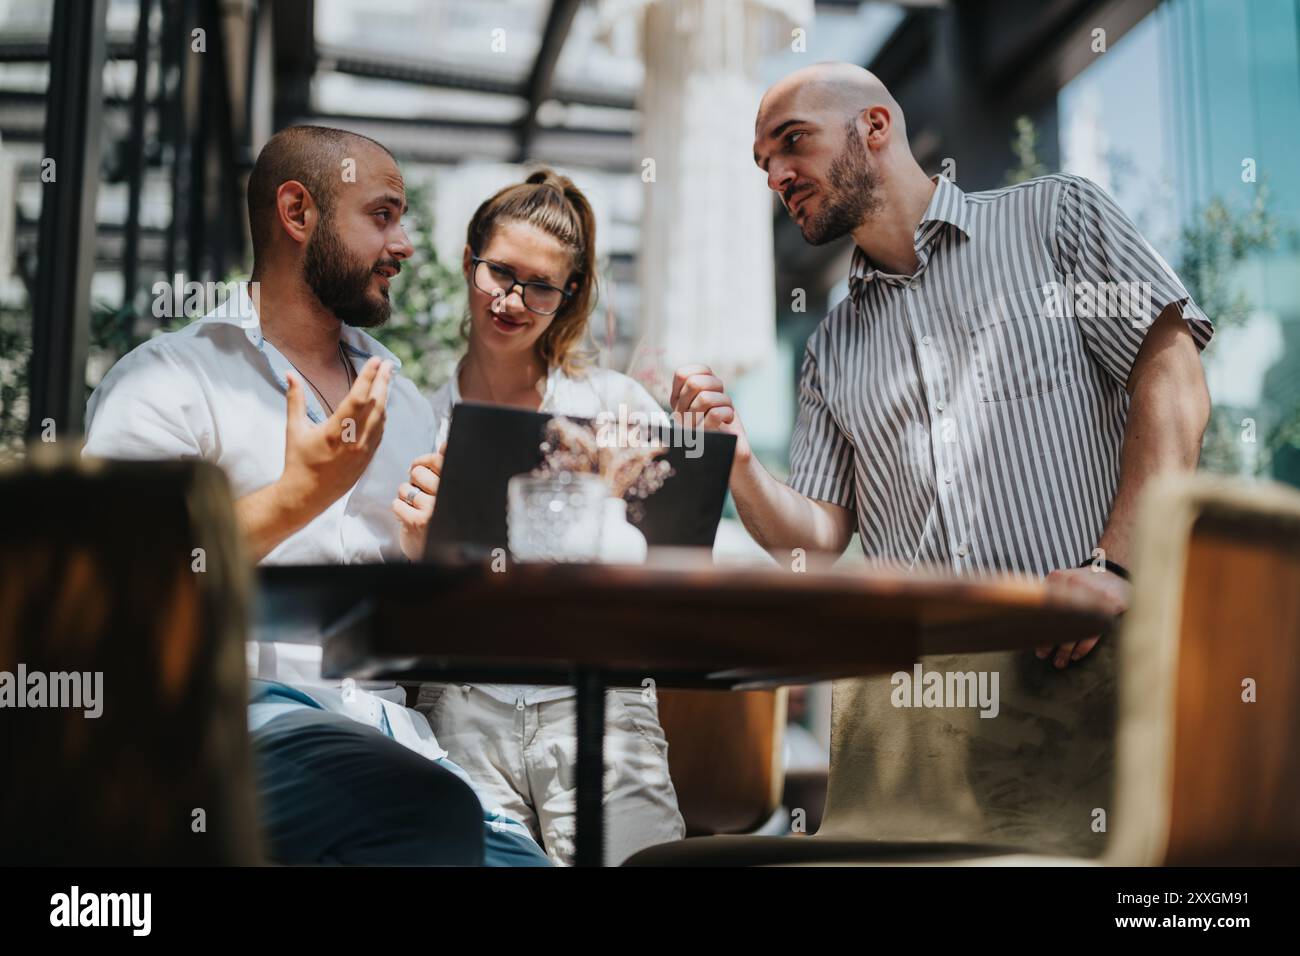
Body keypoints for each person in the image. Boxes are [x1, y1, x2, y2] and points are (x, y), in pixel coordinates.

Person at [671, 63, 1214, 854]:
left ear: (876, 127)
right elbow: (813, 541)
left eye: (792, 144)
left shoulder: (1056, 219)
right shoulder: (828, 349)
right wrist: (740, 464)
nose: (778, 175)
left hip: (1101, 683)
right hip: (923, 731)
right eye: (765, 164)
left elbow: (1173, 376)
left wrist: (1116, 568)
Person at [83, 125, 549, 866]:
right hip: (234, 725)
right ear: (297, 213)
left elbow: (429, 633)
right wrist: (297, 497)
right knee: (422, 817)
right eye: (383, 215)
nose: (406, 246)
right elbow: (112, 583)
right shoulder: (166, 381)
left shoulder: (401, 401)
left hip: (398, 738)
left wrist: (439, 558)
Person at [395, 169, 686, 866]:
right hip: (460, 714)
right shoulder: (412, 420)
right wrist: (417, 553)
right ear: (469, 262)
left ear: (570, 295)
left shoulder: (618, 411)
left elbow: (665, 586)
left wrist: (610, 504)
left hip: (601, 710)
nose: (512, 300)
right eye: (500, 273)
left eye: (541, 285)